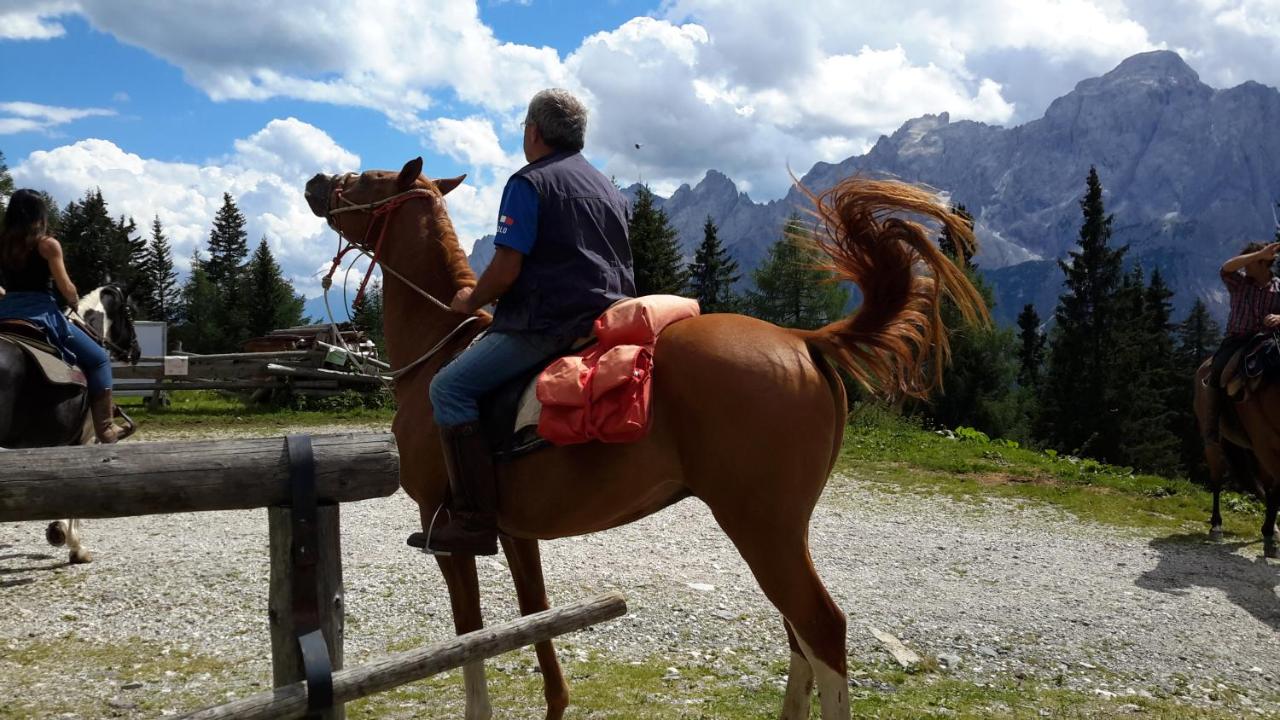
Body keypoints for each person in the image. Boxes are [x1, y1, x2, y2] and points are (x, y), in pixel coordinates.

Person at [424, 88, 635, 555]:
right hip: (609, 320)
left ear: (533, 131)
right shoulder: (610, 190)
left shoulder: (529, 183)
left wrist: (469, 299)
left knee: (448, 388)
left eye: (524, 128)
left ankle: (475, 520)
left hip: (547, 324)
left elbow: (506, 269)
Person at [0, 188, 118, 443]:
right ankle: (107, 429)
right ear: (39, 214)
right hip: (41, 315)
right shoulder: (47, 244)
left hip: (5, 315)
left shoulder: (3, 244)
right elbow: (67, 288)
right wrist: (73, 301)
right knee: (98, 359)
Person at [1204, 240, 1280, 442]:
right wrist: (1258, 254)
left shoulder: (1279, 287)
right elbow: (1226, 268)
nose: (1246, 265)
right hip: (1237, 340)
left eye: (1252, 261)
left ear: (1264, 264)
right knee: (1219, 370)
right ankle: (1212, 423)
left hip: (1268, 338)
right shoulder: (1239, 282)